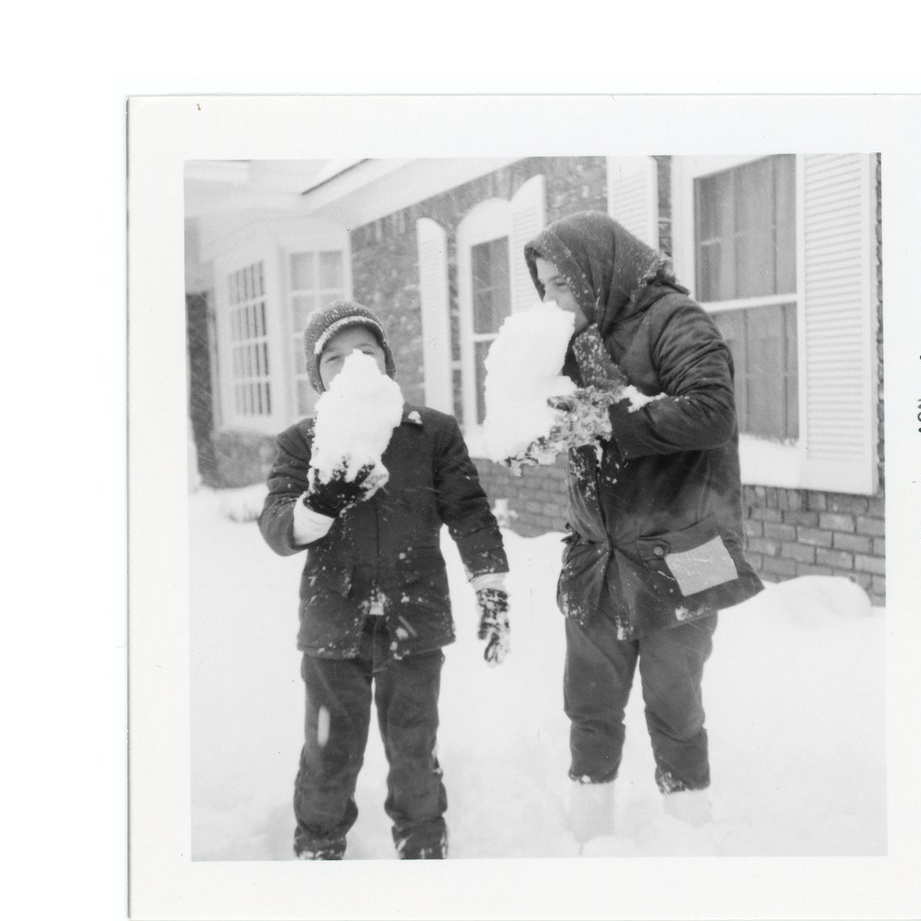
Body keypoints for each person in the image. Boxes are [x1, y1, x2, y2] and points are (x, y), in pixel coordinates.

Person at [523, 212, 764, 842]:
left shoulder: (676, 320)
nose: (552, 300)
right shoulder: (575, 338)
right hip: (597, 555)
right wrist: (533, 429)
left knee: (675, 704)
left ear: (598, 271)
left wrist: (609, 421)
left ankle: (688, 840)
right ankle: (588, 835)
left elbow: (712, 410)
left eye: (563, 284)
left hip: (692, 547)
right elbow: (563, 418)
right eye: (544, 286)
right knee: (589, 705)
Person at [259, 301, 510, 860]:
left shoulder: (431, 433)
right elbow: (277, 527)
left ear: (385, 362)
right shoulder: (302, 442)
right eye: (333, 358)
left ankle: (422, 845)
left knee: (414, 746)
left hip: (413, 619)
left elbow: (470, 514)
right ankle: (319, 847)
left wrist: (490, 586)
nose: (351, 365)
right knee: (329, 751)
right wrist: (319, 504)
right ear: (317, 375)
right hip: (333, 625)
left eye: (364, 351)